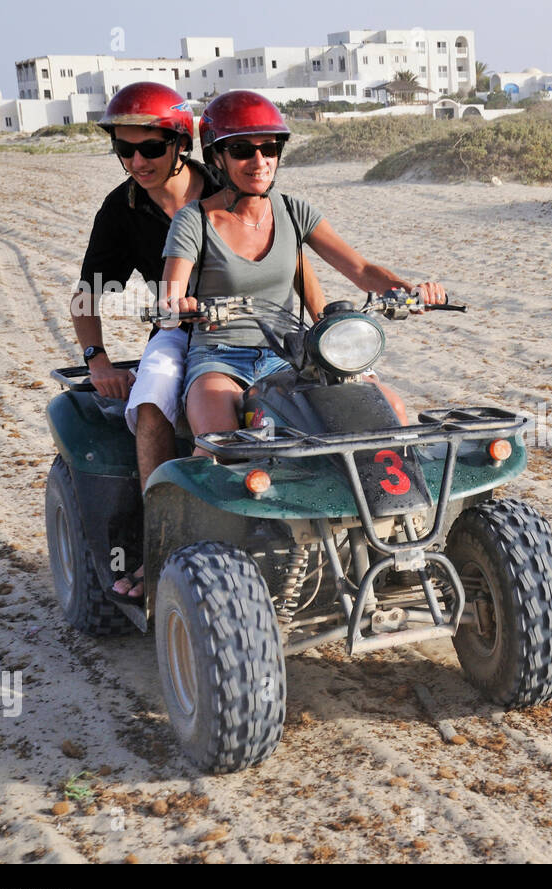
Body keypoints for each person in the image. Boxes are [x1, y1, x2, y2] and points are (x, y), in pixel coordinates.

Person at [72, 82, 324, 600]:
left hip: (255, 328)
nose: (137, 161)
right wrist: (96, 360)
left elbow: (294, 257)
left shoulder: (228, 172)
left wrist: (324, 328)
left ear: (180, 143)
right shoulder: (121, 211)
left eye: (150, 147)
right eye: (125, 149)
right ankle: (163, 543)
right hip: (178, 330)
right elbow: (87, 295)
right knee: (151, 404)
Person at [158, 91, 434, 449]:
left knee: (390, 410)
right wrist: (181, 305)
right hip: (219, 360)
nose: (259, 161)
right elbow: (170, 297)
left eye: (269, 149)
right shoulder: (194, 220)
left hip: (291, 356)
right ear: (217, 158)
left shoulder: (292, 211)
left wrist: (409, 290)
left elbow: (361, 268)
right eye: (242, 150)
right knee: (219, 446)